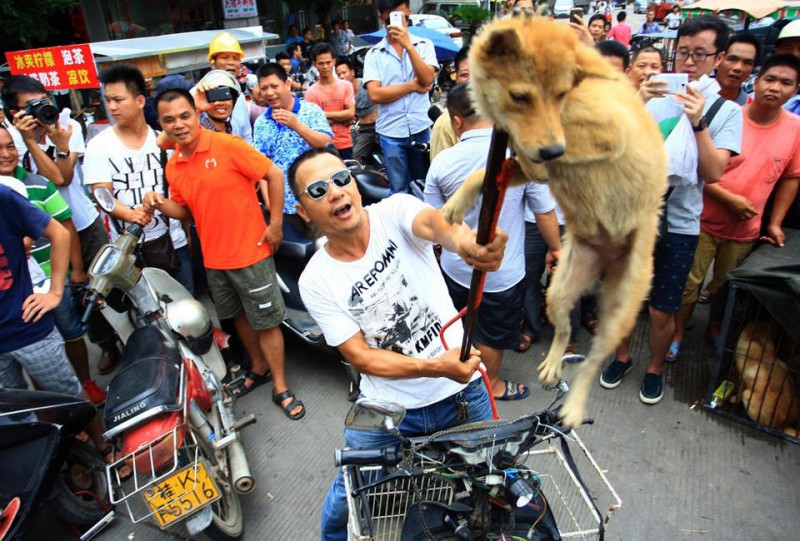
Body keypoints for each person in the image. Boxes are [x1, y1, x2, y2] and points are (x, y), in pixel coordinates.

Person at [290, 147, 506, 540]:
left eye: (341, 180)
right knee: (347, 495)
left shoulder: (395, 210)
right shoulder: (315, 280)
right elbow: (360, 357)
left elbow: (438, 225)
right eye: (318, 190)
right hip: (388, 407)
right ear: (303, 211)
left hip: (462, 392)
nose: (336, 193)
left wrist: (468, 243)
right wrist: (436, 366)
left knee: (492, 479)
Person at [601, 15, 743, 404]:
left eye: (700, 54)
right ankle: (623, 356)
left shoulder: (724, 111)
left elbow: (713, 171)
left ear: (718, 58)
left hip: (679, 225)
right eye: (683, 52)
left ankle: (655, 367)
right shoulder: (652, 96)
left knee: (663, 310)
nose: (690, 61)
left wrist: (697, 121)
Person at [142, 89, 305, 419]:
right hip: (214, 259)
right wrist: (158, 202)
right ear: (161, 124)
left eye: (185, 116)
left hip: (251, 252)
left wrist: (274, 225)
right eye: (169, 120)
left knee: (268, 323)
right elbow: (184, 211)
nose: (179, 125)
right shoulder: (174, 166)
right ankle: (257, 368)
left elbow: (272, 174)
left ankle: (280, 385)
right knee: (239, 317)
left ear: (196, 115)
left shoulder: (226, 145)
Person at [424, 82, 560, 401]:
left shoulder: (443, 162)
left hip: (454, 268)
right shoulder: (521, 157)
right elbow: (545, 212)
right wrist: (556, 248)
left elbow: (433, 220)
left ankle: (460, 379)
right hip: (502, 273)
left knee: (460, 326)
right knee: (492, 334)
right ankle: (491, 386)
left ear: (456, 121)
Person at [672, 54, 800, 350]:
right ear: (756, 82)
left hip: (746, 228)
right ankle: (677, 332)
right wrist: (729, 199)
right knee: (689, 282)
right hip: (702, 219)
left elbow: (792, 177)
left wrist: (776, 222)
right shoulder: (730, 116)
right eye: (769, 79)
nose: (775, 88)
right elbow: (698, 168)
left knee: (724, 286)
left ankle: (715, 326)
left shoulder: (795, 128)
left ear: (795, 90)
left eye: (785, 83)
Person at [2, 75, 120, 378]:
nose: (42, 109)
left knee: (101, 289)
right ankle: (105, 346)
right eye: (31, 106)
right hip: (39, 234)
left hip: (81, 222)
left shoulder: (66, 124)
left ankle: (123, 338)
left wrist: (56, 143)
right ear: (14, 114)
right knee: (64, 302)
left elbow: (63, 177)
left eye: (44, 100)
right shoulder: (9, 142)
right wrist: (27, 140)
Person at [0, 183, 112, 461]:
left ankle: (105, 447)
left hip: (26, 326)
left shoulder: (3, 196)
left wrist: (54, 292)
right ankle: (57, 463)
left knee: (68, 395)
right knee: (15, 415)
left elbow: (59, 232)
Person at [0, 126, 106, 405]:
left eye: (11, 146)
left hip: (43, 286)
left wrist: (68, 278)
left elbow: (62, 227)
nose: (6, 154)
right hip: (20, 306)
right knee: (23, 396)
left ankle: (87, 392)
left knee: (70, 337)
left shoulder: (31, 185)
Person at [83, 65, 194, 295]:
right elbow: (101, 193)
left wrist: (189, 233)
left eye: (118, 99)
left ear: (140, 100)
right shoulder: (99, 145)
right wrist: (131, 215)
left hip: (174, 242)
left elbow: (180, 192)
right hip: (128, 251)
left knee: (188, 308)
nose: (112, 106)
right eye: (108, 100)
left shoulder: (164, 141)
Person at [363, 0, 437, 193]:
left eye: (402, 17)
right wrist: (412, 85)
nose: (397, 23)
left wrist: (409, 47)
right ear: (382, 19)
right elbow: (375, 94)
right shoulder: (374, 54)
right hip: (391, 132)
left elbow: (428, 78)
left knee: (426, 188)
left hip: (421, 127)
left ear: (408, 14)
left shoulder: (424, 45)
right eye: (391, 18)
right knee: (399, 192)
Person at [252, 62, 333, 234]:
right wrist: (269, 201)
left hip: (318, 198)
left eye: (274, 86)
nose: (270, 93)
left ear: (287, 84)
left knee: (326, 247)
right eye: (264, 88)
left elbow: (326, 144)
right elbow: (262, 165)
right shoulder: (260, 123)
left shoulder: (311, 111)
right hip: (284, 206)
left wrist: (296, 125)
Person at [305, 43, 355, 159]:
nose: (325, 66)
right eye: (321, 63)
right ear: (315, 65)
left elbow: (350, 113)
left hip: (345, 144)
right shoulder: (311, 92)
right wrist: (342, 116)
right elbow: (314, 124)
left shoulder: (346, 86)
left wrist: (323, 114)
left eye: (328, 62)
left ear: (334, 61)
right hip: (323, 147)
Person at [207, 31, 253, 145]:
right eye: (225, 57)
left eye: (235, 58)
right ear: (212, 62)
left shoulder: (240, 97)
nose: (231, 63)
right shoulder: (200, 95)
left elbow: (247, 136)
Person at [335, 59, 379, 163]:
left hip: (380, 125)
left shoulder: (367, 84)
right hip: (365, 130)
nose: (342, 76)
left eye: (344, 72)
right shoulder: (342, 93)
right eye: (339, 74)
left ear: (352, 72)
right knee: (354, 159)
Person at [430, 46, 470, 160]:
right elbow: (440, 174)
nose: (472, 80)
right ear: (456, 78)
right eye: (464, 75)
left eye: (479, 72)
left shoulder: (506, 118)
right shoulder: (445, 124)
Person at [715, 32, 760, 106]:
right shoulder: (693, 93)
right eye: (732, 59)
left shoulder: (750, 111)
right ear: (719, 59)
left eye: (747, 63)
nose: (738, 68)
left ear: (753, 68)